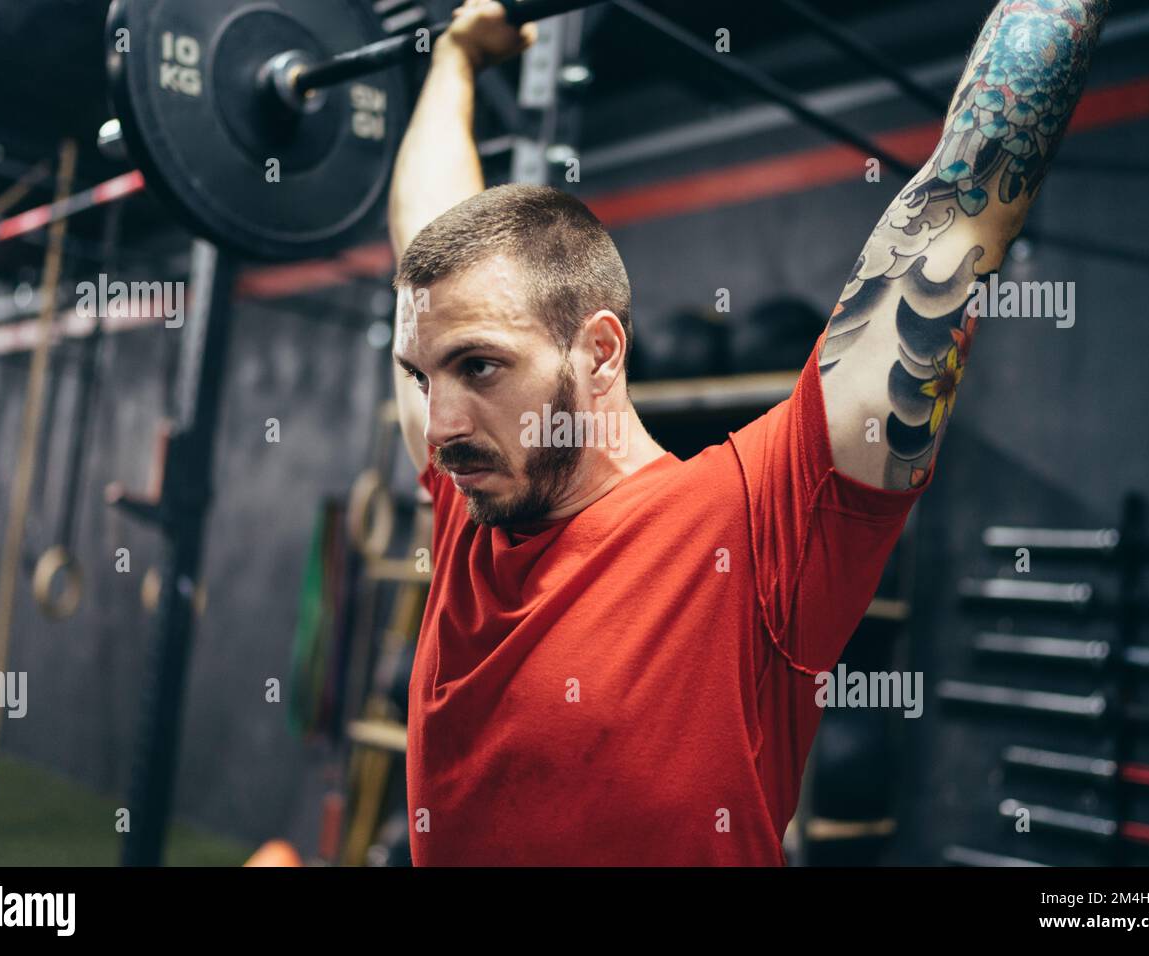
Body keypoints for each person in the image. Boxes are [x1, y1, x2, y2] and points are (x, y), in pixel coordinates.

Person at [386, 0, 1109, 864]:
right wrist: (456, 60)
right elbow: (423, 228)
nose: (439, 428)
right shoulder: (472, 505)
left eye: (480, 367)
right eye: (418, 375)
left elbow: (960, 207)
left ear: (601, 353)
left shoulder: (753, 523)